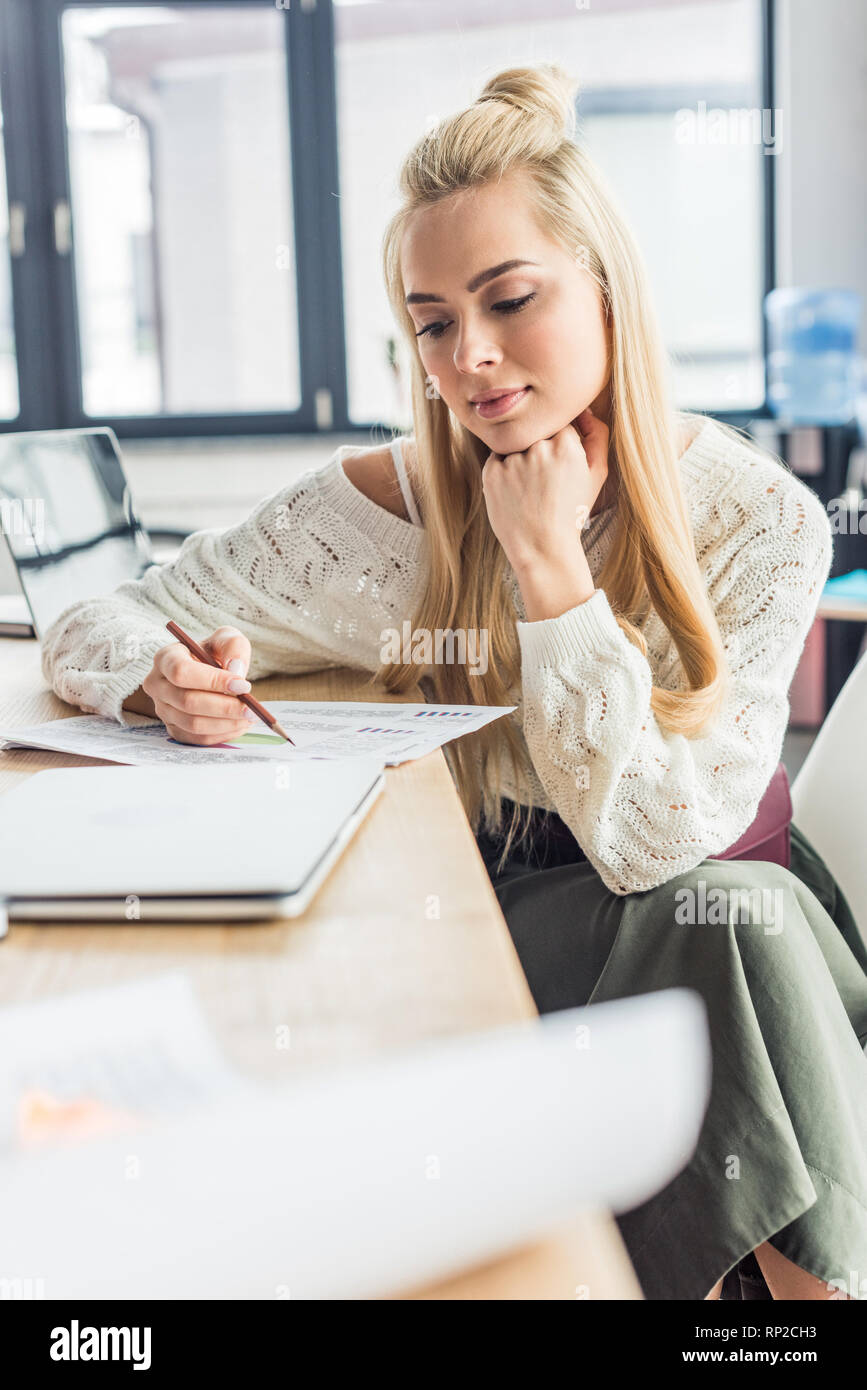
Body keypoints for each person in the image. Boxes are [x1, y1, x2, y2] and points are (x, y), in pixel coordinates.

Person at [42, 63, 867, 1301]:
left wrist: (551, 574)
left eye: (511, 300)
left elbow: (653, 848)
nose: (471, 358)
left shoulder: (765, 521)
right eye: (433, 323)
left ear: (606, 289)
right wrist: (155, 675)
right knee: (745, 939)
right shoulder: (378, 512)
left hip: (706, 899)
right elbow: (93, 615)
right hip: (507, 917)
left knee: (734, 923)